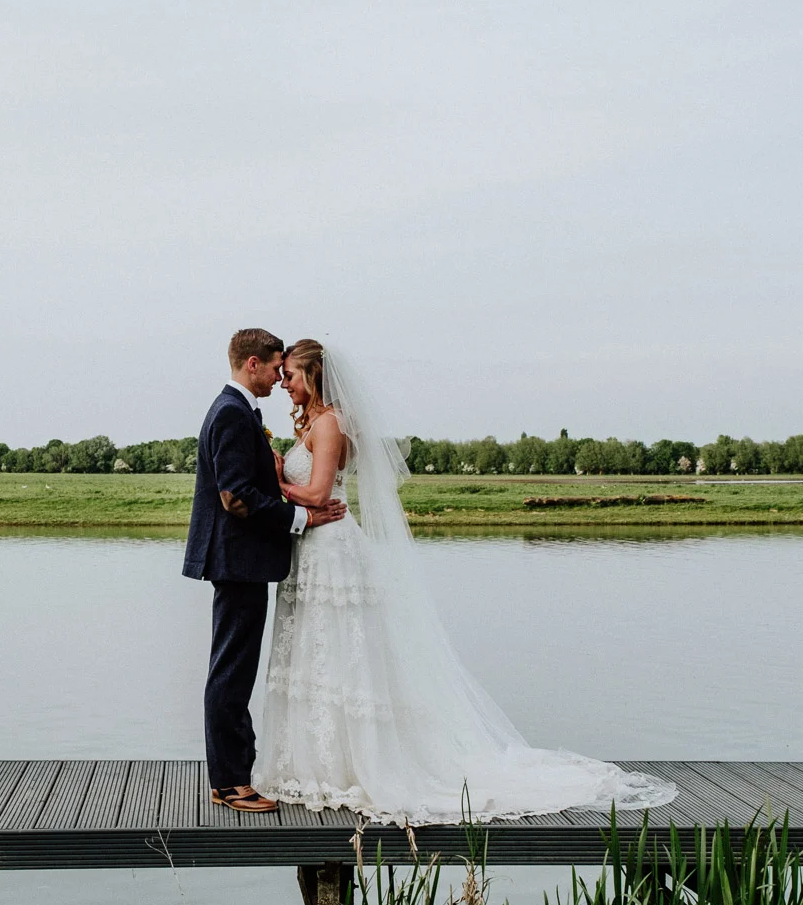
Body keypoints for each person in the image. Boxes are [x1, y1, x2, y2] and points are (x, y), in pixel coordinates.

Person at [252, 338, 677, 824]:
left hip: (332, 551)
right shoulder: (316, 422)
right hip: (312, 548)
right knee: (316, 652)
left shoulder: (330, 424)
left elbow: (318, 492)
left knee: (340, 655)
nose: (284, 383)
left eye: (290, 375)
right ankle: (316, 764)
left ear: (313, 375)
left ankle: (352, 766)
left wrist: (277, 481)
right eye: (282, 375)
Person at [182, 329, 347, 813]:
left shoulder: (235, 410)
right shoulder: (232, 413)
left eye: (287, 370)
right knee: (232, 671)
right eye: (276, 367)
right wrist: (302, 517)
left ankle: (232, 774)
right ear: (252, 364)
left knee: (233, 667)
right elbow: (234, 497)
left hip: (241, 560)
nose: (279, 377)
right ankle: (232, 782)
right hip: (238, 560)